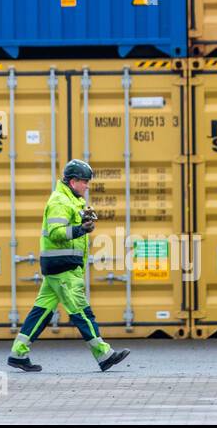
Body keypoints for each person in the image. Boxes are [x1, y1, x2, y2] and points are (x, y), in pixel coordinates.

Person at [7, 158, 130, 374]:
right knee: (82, 312)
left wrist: (84, 225)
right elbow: (56, 234)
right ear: (73, 182)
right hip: (63, 268)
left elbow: (70, 229)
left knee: (41, 312)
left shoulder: (72, 200)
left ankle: (18, 354)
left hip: (59, 266)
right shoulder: (60, 202)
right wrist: (80, 230)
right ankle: (104, 354)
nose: (87, 186)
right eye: (84, 182)